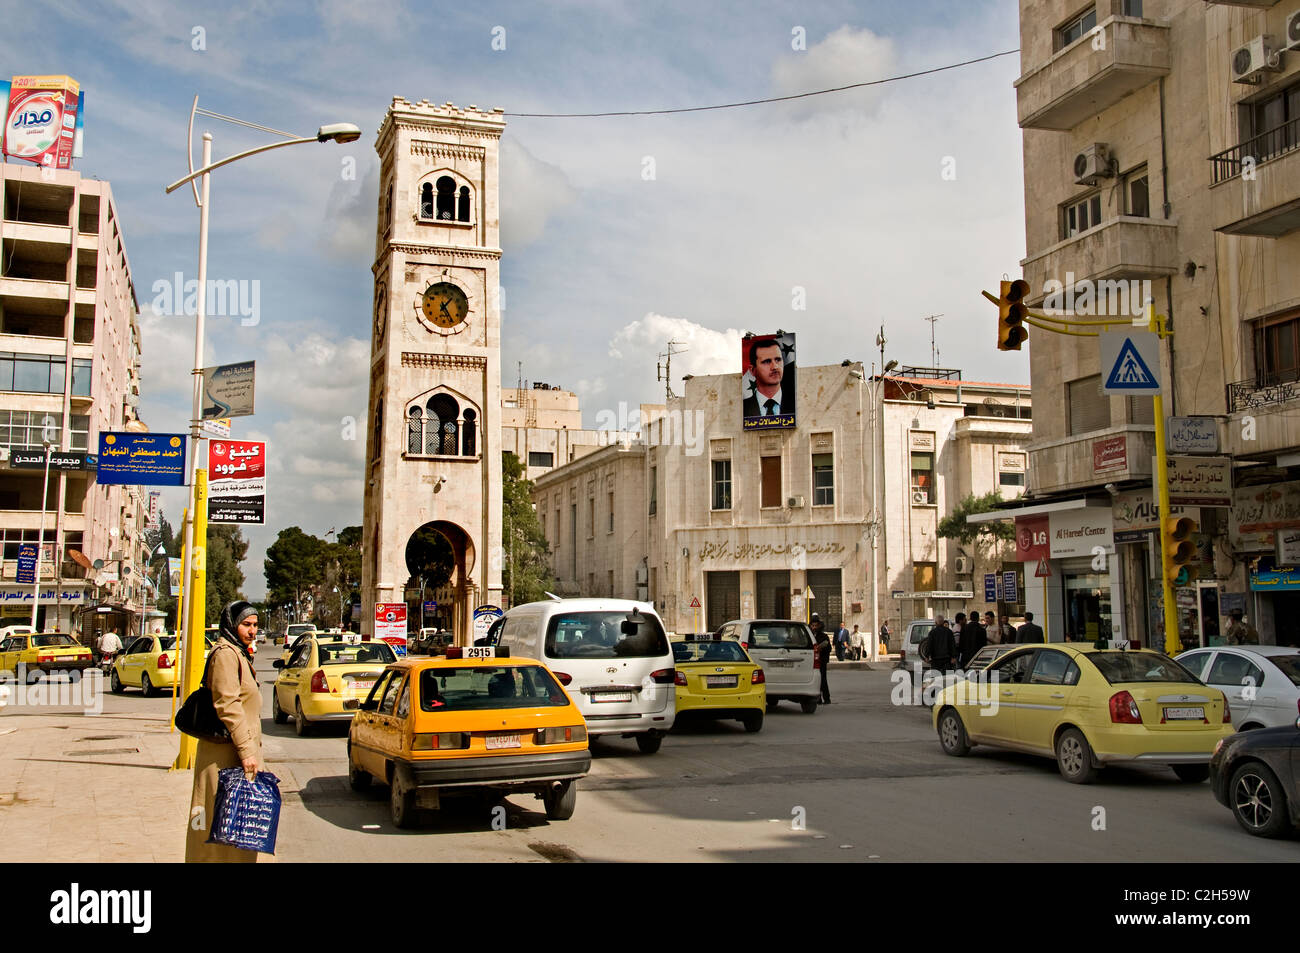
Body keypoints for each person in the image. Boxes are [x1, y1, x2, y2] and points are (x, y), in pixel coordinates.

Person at [186, 601, 265, 863]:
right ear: (232, 625)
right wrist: (246, 752)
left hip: (239, 754)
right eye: (246, 624)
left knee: (239, 830)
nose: (252, 630)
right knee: (218, 829)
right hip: (226, 758)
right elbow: (228, 705)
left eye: (254, 625)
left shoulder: (239, 653)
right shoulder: (225, 655)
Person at [742, 338, 796, 419]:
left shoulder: (796, 402)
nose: (775, 367)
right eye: (767, 361)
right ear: (753, 370)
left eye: (778, 360)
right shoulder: (743, 408)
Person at [812, 615, 832, 704]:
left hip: (822, 661)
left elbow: (829, 649)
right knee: (815, 680)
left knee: (823, 679)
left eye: (816, 625)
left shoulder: (824, 636)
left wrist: (822, 648)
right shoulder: (810, 636)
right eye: (812, 625)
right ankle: (818, 698)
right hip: (812, 661)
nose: (814, 627)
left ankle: (826, 698)